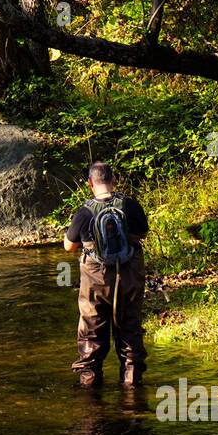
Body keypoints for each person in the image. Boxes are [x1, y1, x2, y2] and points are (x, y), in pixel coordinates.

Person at [62, 162, 149, 387]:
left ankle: (90, 388)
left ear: (90, 183)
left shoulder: (84, 211)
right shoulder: (130, 205)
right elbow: (142, 234)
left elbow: (69, 247)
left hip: (95, 280)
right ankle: (132, 387)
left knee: (92, 331)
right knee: (130, 328)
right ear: (114, 180)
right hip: (129, 275)